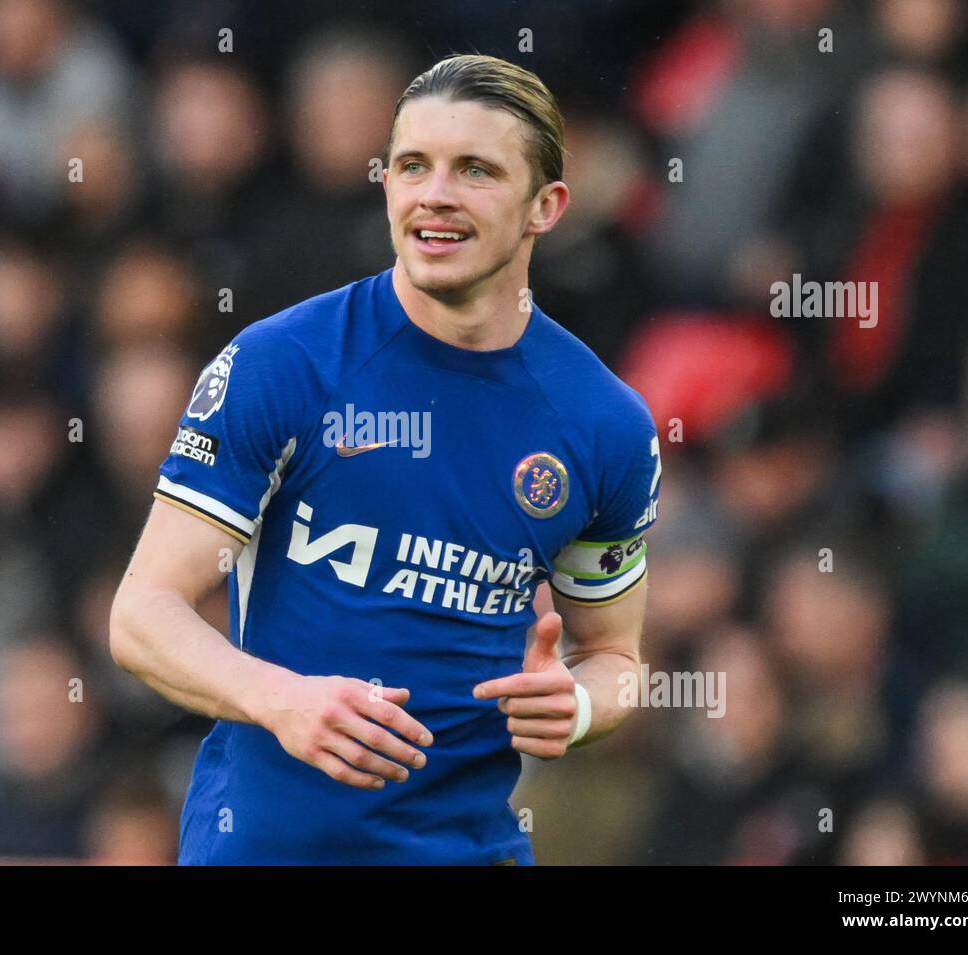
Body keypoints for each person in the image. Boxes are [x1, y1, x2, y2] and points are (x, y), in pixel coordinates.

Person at [110, 54, 662, 865]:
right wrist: (281, 698)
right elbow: (142, 614)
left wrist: (578, 704)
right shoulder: (283, 364)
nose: (434, 193)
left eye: (474, 169)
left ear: (546, 206)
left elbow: (616, 655)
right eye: (412, 166)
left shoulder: (604, 424)